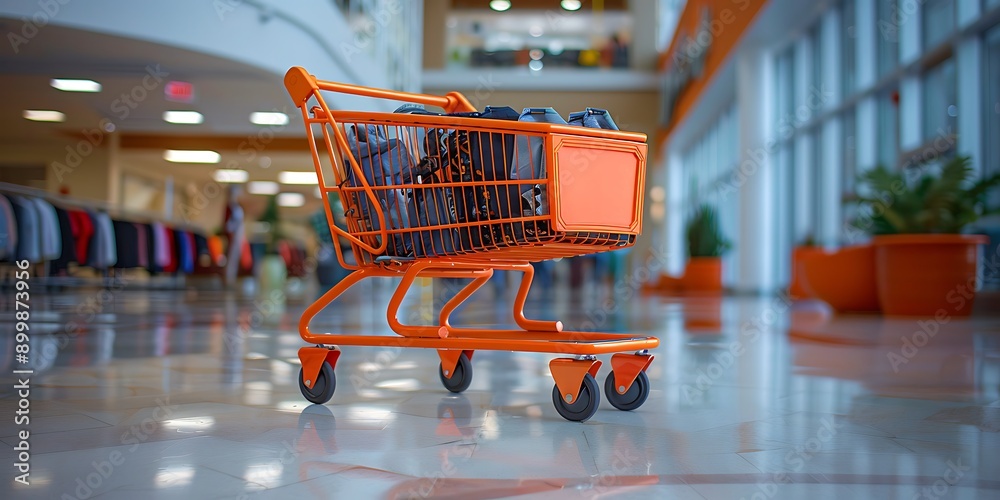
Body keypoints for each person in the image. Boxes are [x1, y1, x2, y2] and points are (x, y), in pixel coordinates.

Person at [223, 185, 245, 286]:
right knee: (230, 258)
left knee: (235, 259)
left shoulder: (237, 206)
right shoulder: (229, 207)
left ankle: (232, 279)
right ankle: (228, 280)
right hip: (231, 236)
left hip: (238, 236)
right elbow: (226, 224)